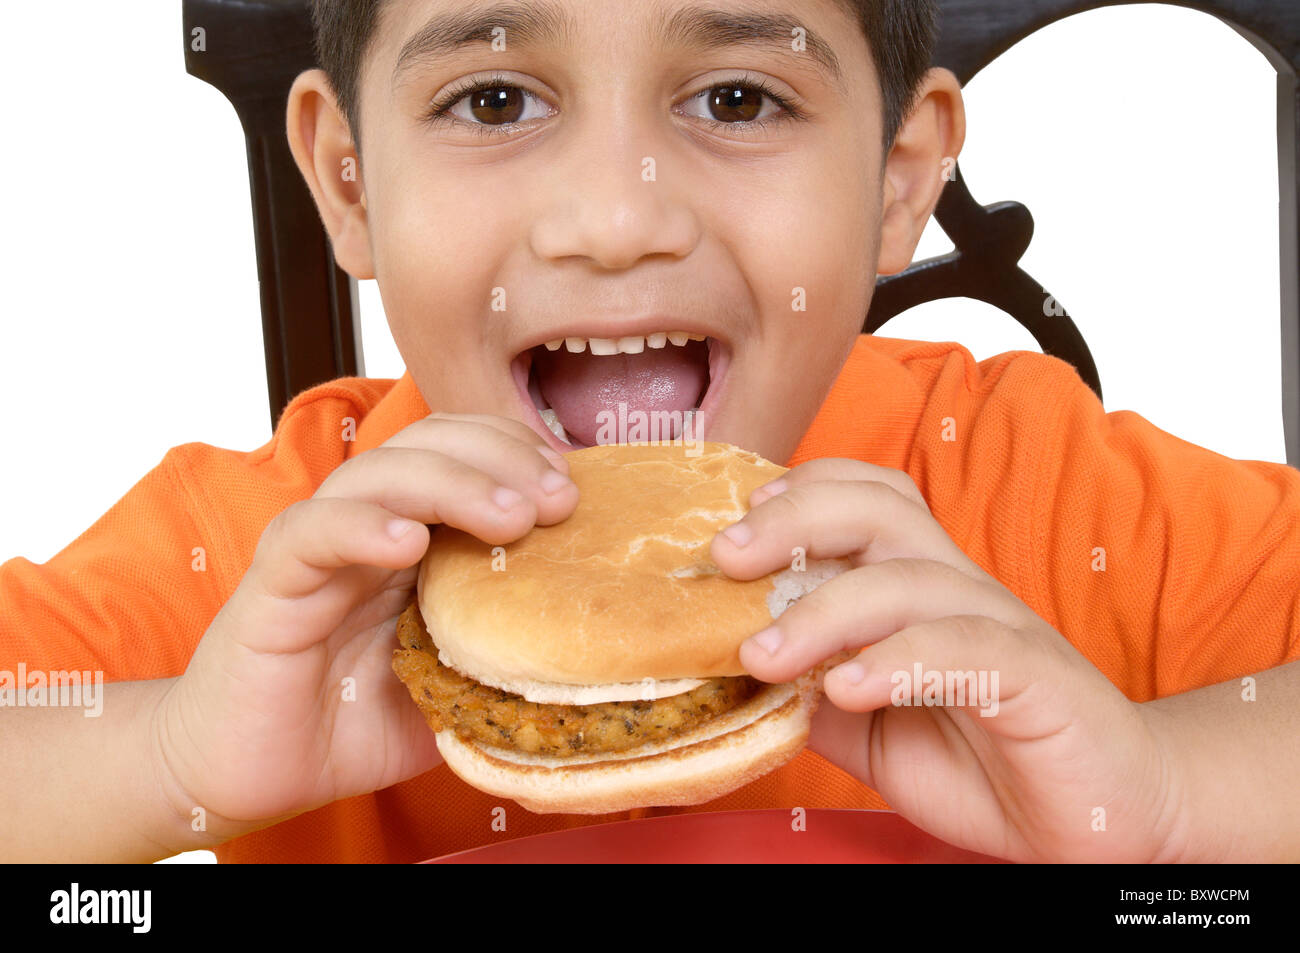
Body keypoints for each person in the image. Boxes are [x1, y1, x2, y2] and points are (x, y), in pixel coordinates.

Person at [2, 0, 1297, 863]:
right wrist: (170, 746)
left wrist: (1171, 792)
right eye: (495, 102)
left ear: (901, 179)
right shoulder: (276, 562)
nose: (616, 221)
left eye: (736, 100)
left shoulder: (1047, 490)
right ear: (349, 182)